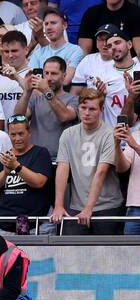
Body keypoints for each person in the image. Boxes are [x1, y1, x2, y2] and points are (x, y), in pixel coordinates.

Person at [50, 87, 125, 233]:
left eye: (92, 109)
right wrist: (59, 205)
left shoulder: (109, 134)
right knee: (72, 253)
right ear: (78, 107)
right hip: (77, 206)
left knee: (108, 255)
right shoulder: (68, 134)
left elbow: (101, 172)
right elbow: (62, 169)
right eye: (83, 107)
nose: (87, 113)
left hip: (107, 206)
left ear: (101, 109)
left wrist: (88, 208)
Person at [0, 113, 54, 231]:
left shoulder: (40, 153)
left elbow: (39, 182)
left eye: (21, 134)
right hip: (4, 224)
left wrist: (16, 166)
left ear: (29, 132)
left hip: (36, 224)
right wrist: (5, 173)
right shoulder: (3, 156)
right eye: (13, 134)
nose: (17, 138)